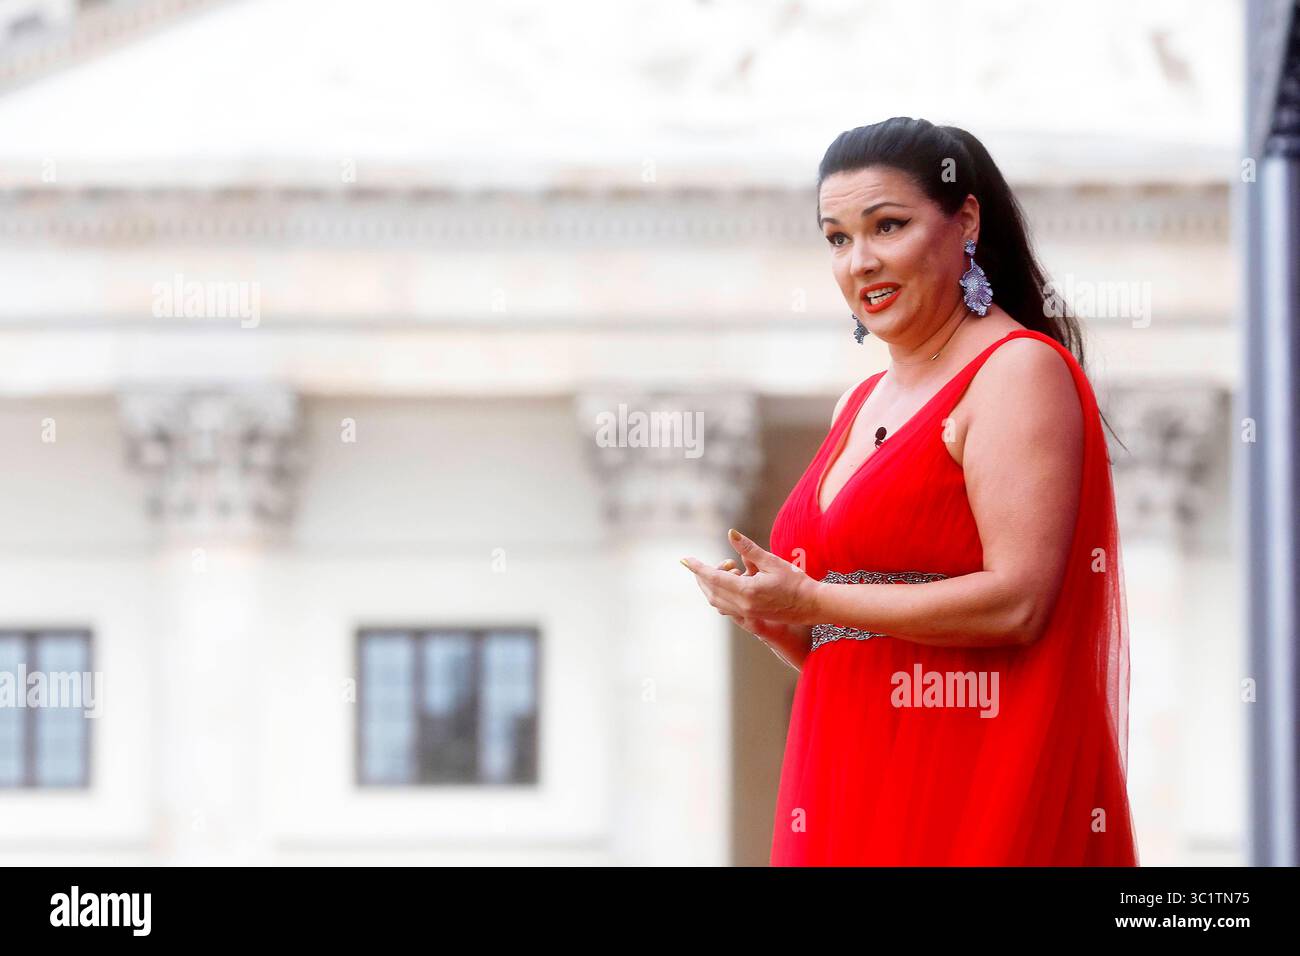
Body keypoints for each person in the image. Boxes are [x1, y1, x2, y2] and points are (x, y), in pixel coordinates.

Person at [681, 116, 1138, 866]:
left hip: (971, 780)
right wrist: (777, 619)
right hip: (844, 770)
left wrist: (811, 601)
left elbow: (1018, 604)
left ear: (965, 221)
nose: (860, 262)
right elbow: (864, 643)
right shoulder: (855, 404)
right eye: (836, 238)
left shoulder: (1018, 371)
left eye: (886, 226)